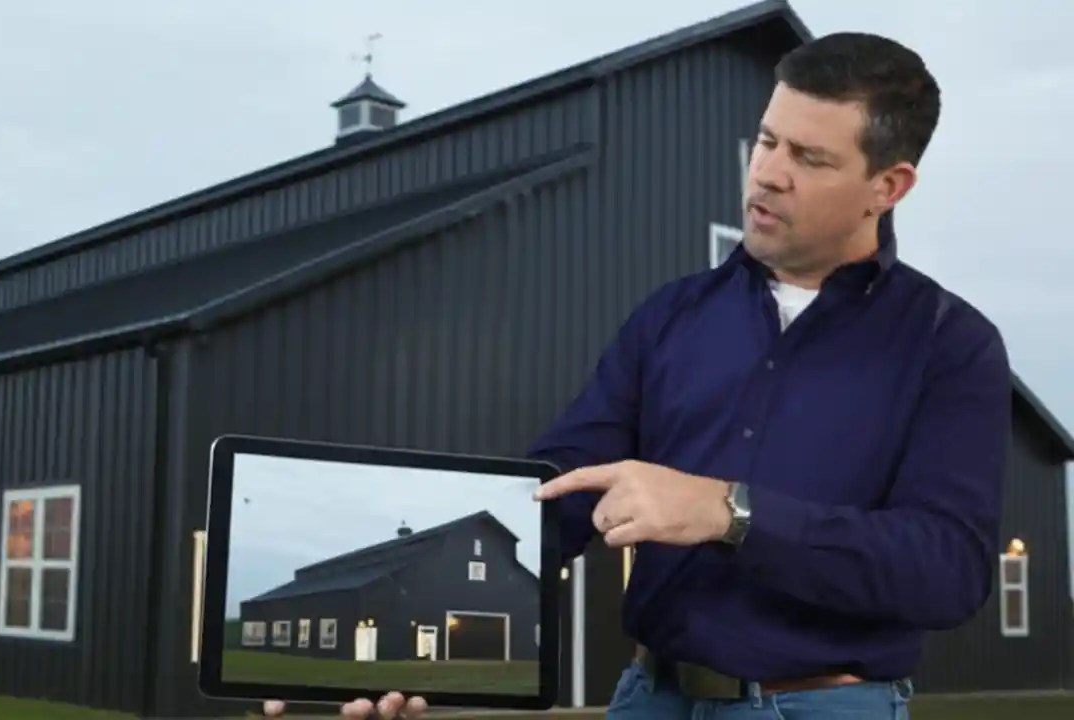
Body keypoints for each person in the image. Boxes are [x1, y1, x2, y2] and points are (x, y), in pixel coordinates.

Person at [266, 30, 1010, 720]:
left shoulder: (952, 346)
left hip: (819, 707)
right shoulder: (671, 316)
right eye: (768, 140)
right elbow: (556, 493)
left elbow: (945, 569)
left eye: (810, 159)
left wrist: (731, 512)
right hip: (648, 697)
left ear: (890, 186)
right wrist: (389, 649)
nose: (767, 174)